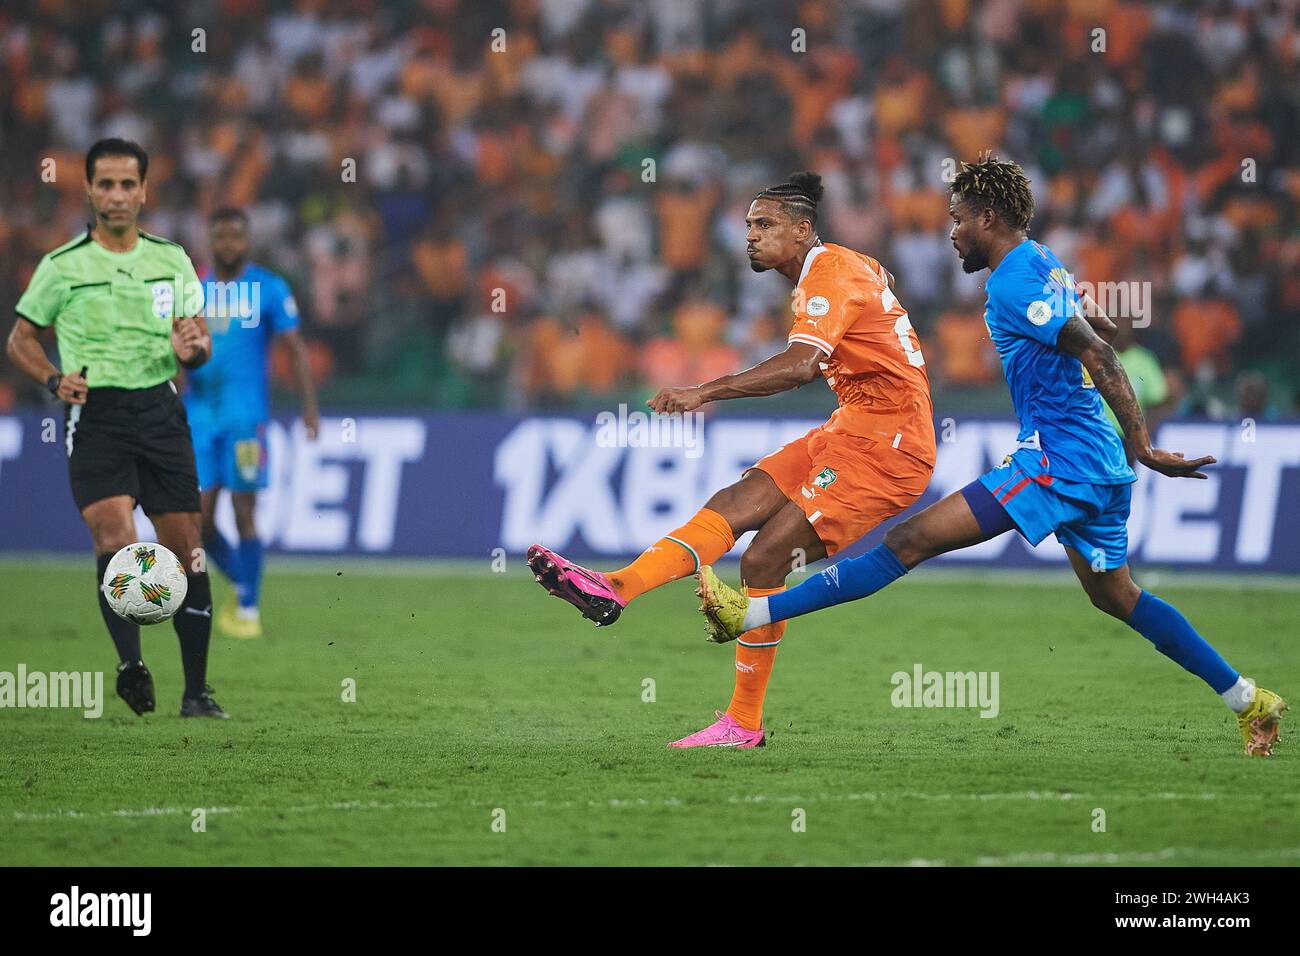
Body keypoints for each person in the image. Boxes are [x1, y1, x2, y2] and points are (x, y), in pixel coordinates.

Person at [696, 154, 1286, 757]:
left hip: (1060, 462)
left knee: (910, 541)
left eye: (958, 220)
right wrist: (1092, 347)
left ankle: (747, 615)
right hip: (1101, 466)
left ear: (988, 216)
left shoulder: (1014, 279)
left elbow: (1100, 355)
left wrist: (1146, 445)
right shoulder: (1042, 262)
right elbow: (1100, 331)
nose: (951, 233)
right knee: (1119, 597)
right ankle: (1249, 700)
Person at [527, 172, 936, 748]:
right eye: (747, 226)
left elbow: (799, 367)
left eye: (765, 225)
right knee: (733, 503)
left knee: (765, 559)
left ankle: (742, 723)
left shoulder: (829, 270)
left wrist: (704, 391)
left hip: (892, 446)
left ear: (803, 230)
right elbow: (874, 285)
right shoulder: (834, 268)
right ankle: (615, 586)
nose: (750, 236)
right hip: (850, 428)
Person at [5, 138, 226, 718]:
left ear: (145, 191)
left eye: (128, 184)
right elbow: (20, 339)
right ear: (89, 190)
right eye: (106, 184)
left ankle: (197, 693)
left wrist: (194, 347)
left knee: (186, 550)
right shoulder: (61, 267)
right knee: (115, 540)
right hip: (96, 416)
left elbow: (197, 340)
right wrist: (53, 380)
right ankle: (132, 665)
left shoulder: (171, 259)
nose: (118, 195)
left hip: (158, 410)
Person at [185, 208, 319, 639]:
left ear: (248, 240)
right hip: (199, 418)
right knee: (199, 520)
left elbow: (295, 349)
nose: (229, 243)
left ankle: (249, 608)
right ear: (211, 239)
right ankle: (244, 581)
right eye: (221, 236)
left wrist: (309, 407)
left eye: (236, 236)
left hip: (247, 420)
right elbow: (172, 349)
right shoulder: (192, 289)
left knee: (245, 510)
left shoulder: (269, 288)